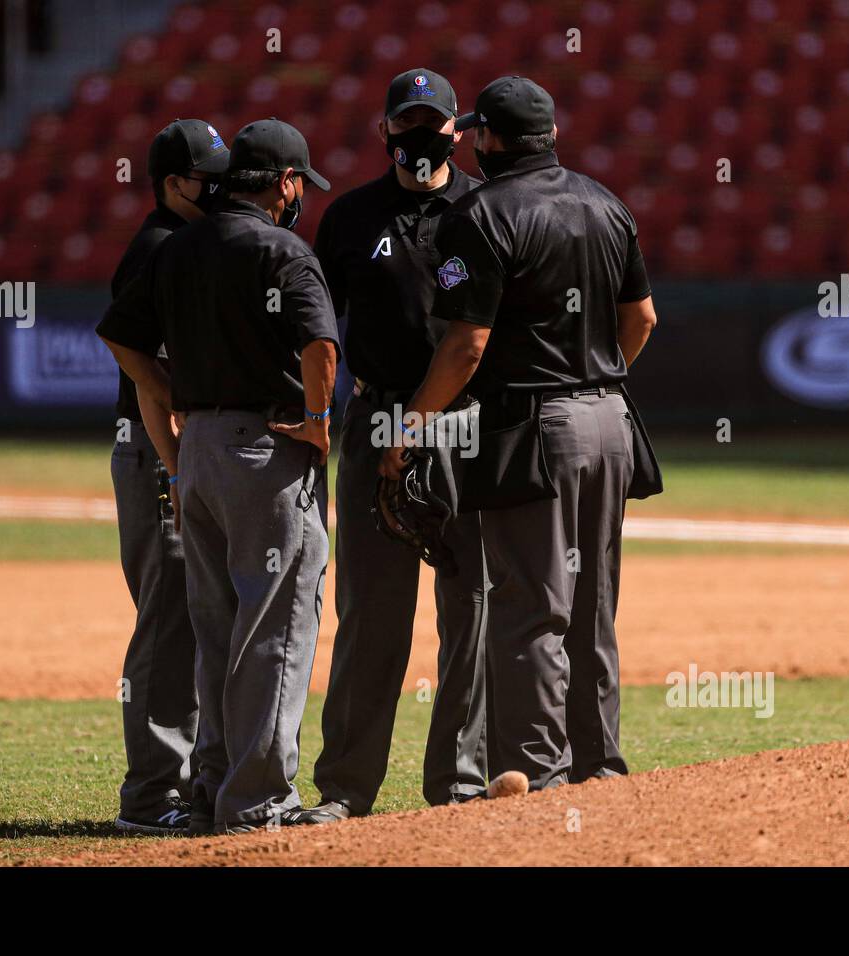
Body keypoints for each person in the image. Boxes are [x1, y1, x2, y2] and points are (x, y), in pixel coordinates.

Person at [379, 76, 663, 792]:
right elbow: (644, 319)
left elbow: (466, 346)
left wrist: (409, 425)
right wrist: (593, 374)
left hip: (535, 429)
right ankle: (598, 767)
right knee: (593, 605)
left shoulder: (480, 214)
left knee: (530, 607)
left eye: (479, 133)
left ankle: (537, 774)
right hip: (611, 420)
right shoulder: (608, 203)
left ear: (492, 140)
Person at [98, 118, 340, 835]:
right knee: (276, 625)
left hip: (197, 448)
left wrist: (178, 418)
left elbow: (120, 335)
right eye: (300, 183)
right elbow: (320, 346)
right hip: (265, 449)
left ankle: (208, 792)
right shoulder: (283, 249)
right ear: (286, 183)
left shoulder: (178, 247)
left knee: (214, 629)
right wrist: (321, 423)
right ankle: (259, 801)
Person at [298, 68, 488, 824]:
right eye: (405, 122)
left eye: (434, 123)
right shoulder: (347, 218)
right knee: (371, 616)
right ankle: (345, 790)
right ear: (384, 131)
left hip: (466, 427)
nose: (420, 136)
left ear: (456, 131)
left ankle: (460, 783)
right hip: (375, 425)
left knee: (471, 609)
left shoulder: (483, 207)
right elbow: (315, 332)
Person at [108, 118, 229, 835]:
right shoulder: (156, 247)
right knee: (169, 616)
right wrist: (174, 428)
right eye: (205, 175)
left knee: (191, 612)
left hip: (172, 447)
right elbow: (125, 345)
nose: (216, 185)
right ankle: (152, 797)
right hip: (158, 450)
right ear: (173, 182)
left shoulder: (183, 242)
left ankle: (181, 784)